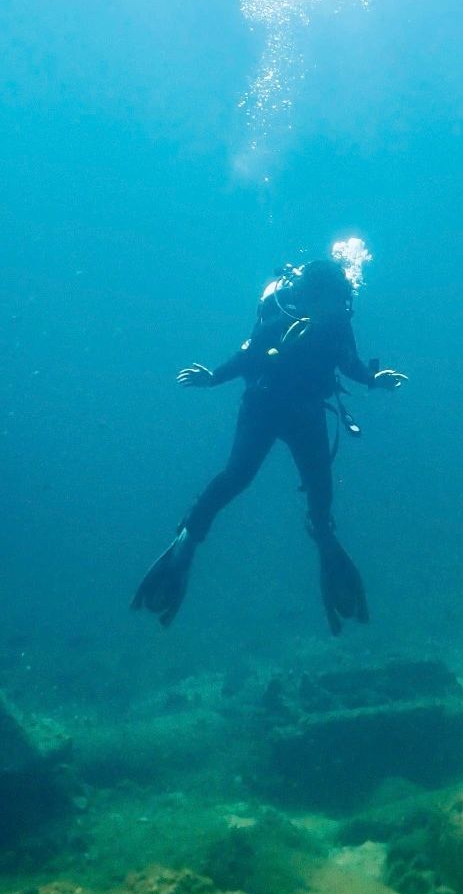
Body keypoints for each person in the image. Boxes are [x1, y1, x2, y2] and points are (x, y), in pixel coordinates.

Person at [132, 254, 406, 635]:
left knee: (320, 487)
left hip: (307, 411)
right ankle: (189, 536)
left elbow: (349, 363)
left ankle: (323, 534)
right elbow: (248, 357)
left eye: (339, 301)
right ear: (311, 296)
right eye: (329, 300)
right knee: (238, 475)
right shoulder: (282, 319)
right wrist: (213, 378)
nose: (335, 308)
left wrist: (374, 380)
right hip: (264, 404)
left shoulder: (338, 323)